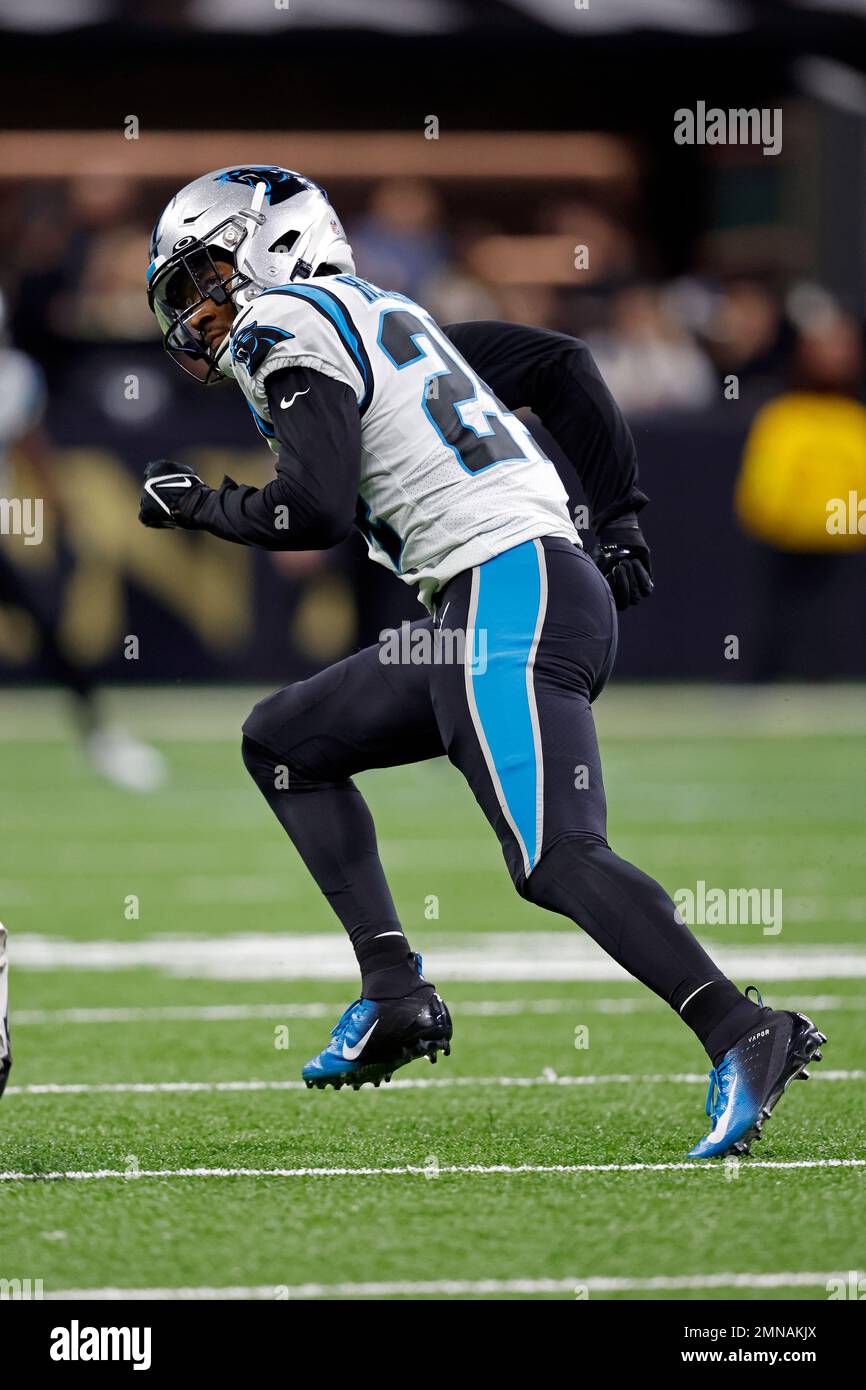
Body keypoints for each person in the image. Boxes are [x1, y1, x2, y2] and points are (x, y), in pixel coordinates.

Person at [139, 165, 825, 1158]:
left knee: (552, 853)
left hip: (506, 591)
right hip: (494, 598)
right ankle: (394, 993)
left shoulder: (282, 321)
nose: (197, 307)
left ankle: (741, 1028)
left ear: (269, 243)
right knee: (285, 740)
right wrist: (619, 516)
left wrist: (199, 503)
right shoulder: (375, 312)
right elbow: (557, 361)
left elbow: (314, 507)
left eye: (205, 273)